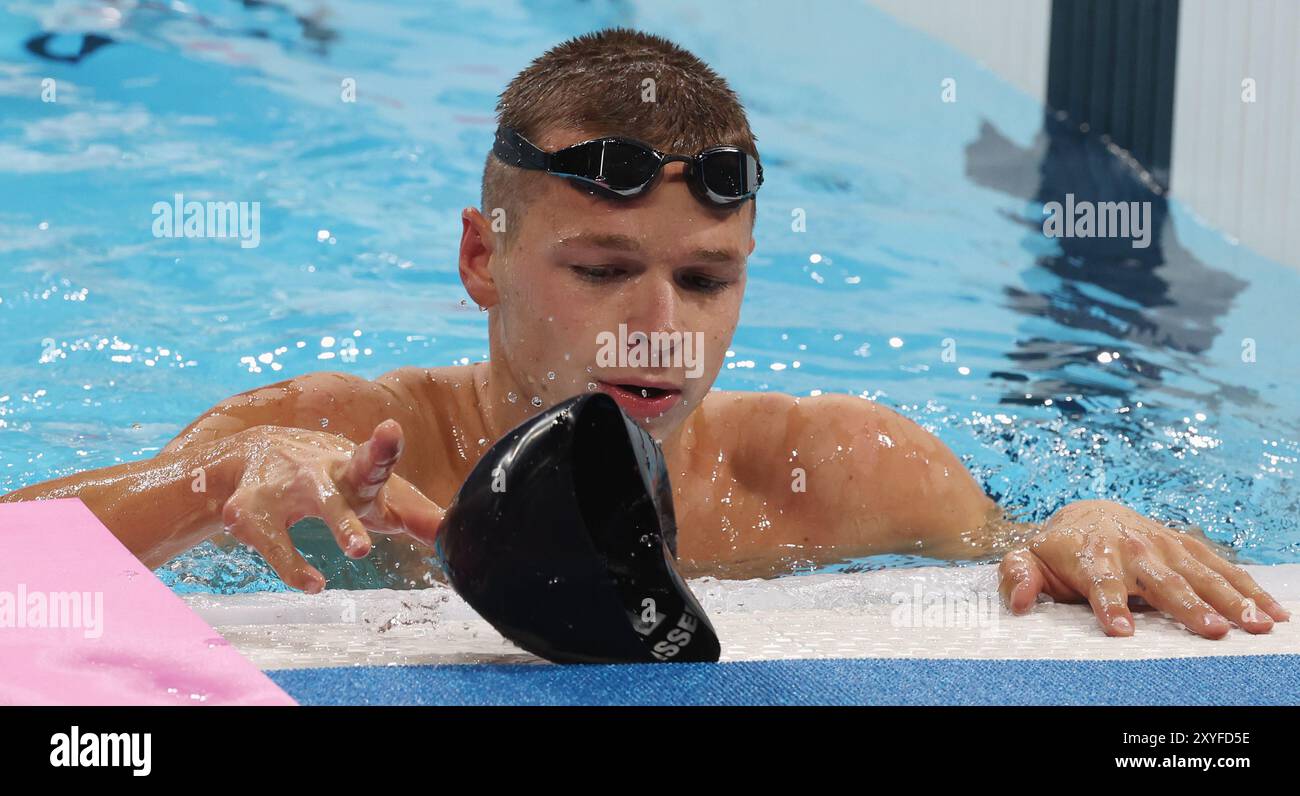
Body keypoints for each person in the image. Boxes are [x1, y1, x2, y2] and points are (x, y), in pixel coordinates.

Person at [3, 28, 1287, 640]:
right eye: (604, 270)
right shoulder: (337, 442)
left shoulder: (840, 468)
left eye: (706, 279)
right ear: (480, 258)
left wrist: (1081, 526)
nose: (663, 331)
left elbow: (1020, 545)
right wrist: (205, 485)